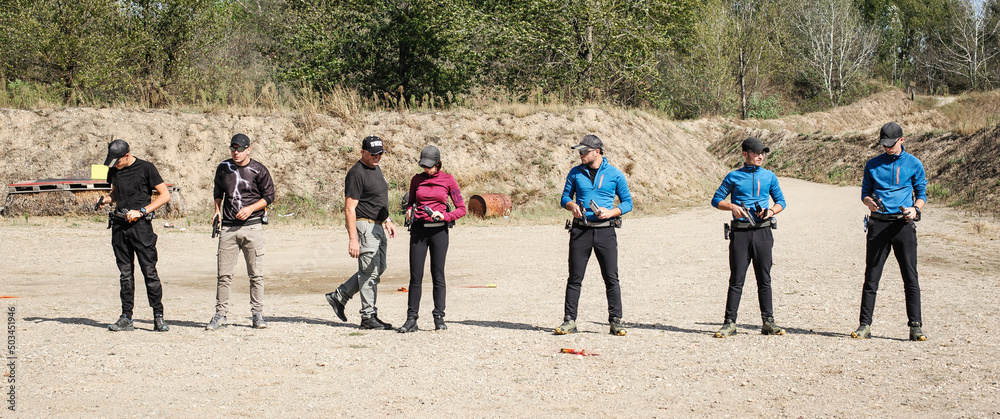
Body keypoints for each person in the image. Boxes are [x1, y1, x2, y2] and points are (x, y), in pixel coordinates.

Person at [852, 122, 928, 341]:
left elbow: (921, 193)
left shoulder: (914, 164)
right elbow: (865, 192)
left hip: (902, 225)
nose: (886, 148)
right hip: (878, 224)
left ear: (901, 140)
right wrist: (868, 202)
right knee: (871, 277)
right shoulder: (872, 164)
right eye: (883, 144)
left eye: (890, 144)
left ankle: (915, 326)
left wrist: (915, 209)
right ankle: (864, 325)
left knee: (910, 277)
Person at [554, 134, 633, 336]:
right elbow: (564, 198)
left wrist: (612, 212)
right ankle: (569, 321)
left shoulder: (615, 174)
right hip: (580, 230)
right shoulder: (574, 173)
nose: (580, 154)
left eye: (584, 151)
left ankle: (616, 321)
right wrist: (571, 206)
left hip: (606, 230)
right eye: (579, 151)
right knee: (574, 278)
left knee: (611, 278)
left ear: (596, 152)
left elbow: (627, 203)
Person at [711, 137, 787, 338]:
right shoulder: (733, 176)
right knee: (737, 279)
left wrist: (771, 211)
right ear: (745, 154)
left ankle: (768, 322)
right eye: (756, 152)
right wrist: (732, 206)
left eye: (763, 152)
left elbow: (781, 202)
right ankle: (729, 323)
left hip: (763, 232)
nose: (760, 155)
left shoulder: (769, 176)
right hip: (740, 233)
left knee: (764, 279)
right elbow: (716, 200)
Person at [95, 139, 171, 332]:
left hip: (141, 228)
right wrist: (106, 199)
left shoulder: (146, 168)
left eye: (117, 161)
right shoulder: (114, 170)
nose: (114, 165)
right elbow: (117, 194)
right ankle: (126, 317)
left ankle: (158, 316)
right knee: (125, 275)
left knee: (150, 273)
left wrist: (142, 211)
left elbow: (164, 195)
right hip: (120, 227)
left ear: (127, 155)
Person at [205, 134, 276, 331]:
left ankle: (257, 314)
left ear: (248, 149)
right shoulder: (223, 168)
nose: (236, 152)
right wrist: (217, 210)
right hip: (228, 227)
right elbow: (218, 191)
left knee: (256, 274)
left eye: (240, 148)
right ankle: (220, 315)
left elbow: (269, 196)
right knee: (224, 275)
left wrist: (251, 208)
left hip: (252, 226)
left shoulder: (259, 169)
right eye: (233, 148)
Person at [325, 136, 397, 330]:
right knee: (369, 273)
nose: (377, 157)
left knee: (378, 268)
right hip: (364, 227)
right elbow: (349, 208)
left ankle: (340, 295)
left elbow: (377, 199)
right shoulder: (356, 173)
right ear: (362, 152)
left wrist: (387, 219)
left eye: (380, 153)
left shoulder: (375, 168)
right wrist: (353, 239)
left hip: (378, 226)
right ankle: (368, 317)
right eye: (373, 154)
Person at [397, 146, 467, 333]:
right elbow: (411, 201)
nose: (426, 170)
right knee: (416, 277)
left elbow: (461, 208)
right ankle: (411, 319)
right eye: (424, 166)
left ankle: (439, 317)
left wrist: (445, 216)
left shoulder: (448, 180)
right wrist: (409, 209)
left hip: (439, 233)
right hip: (419, 231)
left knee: (438, 275)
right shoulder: (416, 180)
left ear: (438, 164)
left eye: (430, 166)